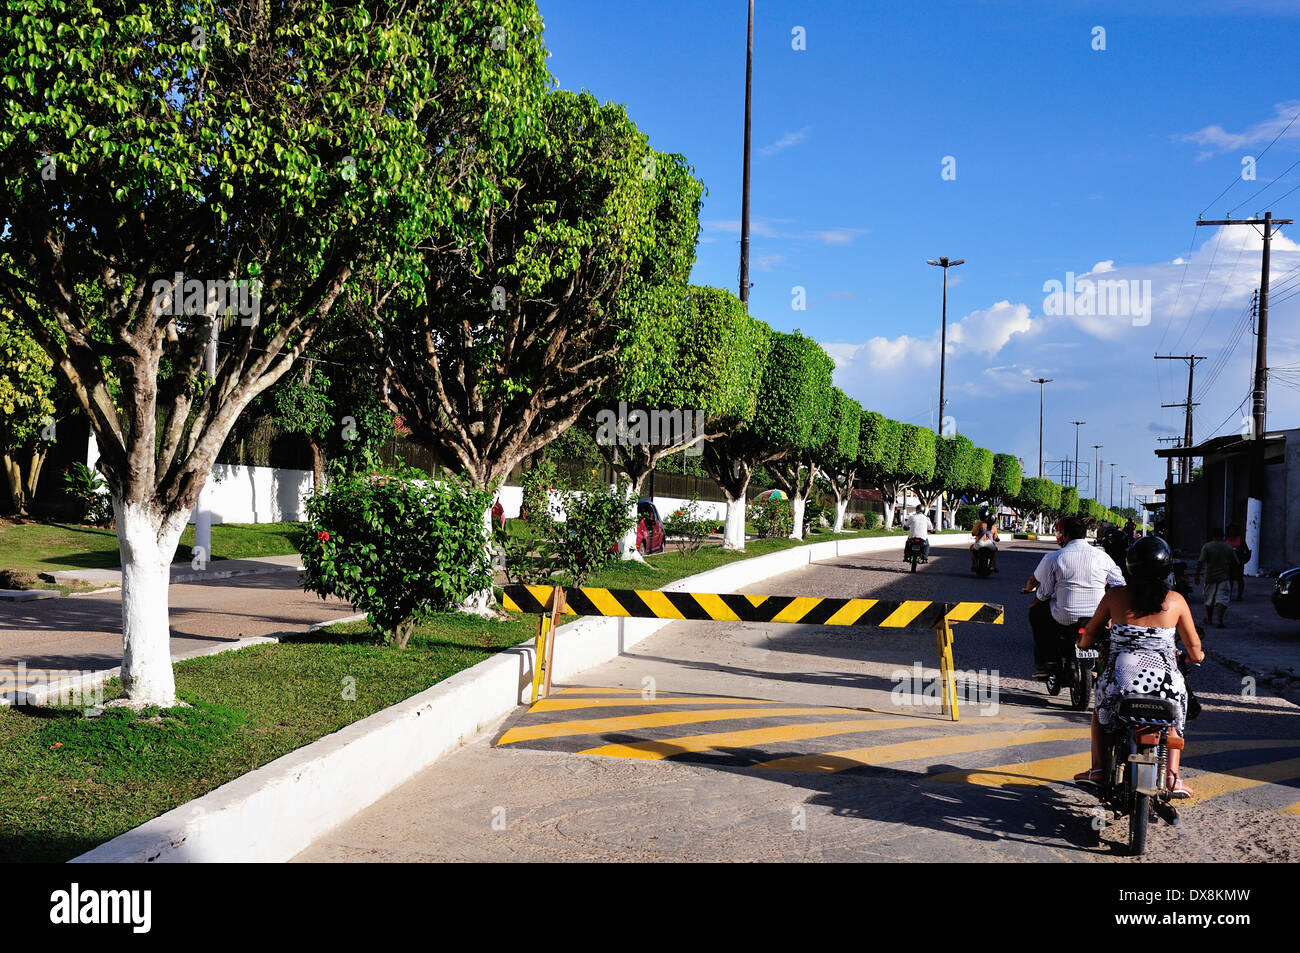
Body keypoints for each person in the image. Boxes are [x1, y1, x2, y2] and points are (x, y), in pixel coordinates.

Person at [1075, 536, 1205, 798]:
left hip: (1121, 679)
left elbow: (1090, 634)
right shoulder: (1176, 601)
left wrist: (1083, 642)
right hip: (1167, 683)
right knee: (1174, 721)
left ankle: (1099, 770)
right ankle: (1172, 778)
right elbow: (1194, 650)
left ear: (1130, 566)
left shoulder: (1115, 596)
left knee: (1101, 715)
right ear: (1167, 568)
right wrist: (1197, 656)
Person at [1023, 516, 1125, 678]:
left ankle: (1045, 662)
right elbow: (1119, 586)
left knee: (1036, 613)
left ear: (1066, 535)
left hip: (1064, 617)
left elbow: (1044, 593)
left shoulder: (1053, 557)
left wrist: (1036, 598)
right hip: (1098, 617)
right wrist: (1112, 612)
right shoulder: (1103, 557)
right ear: (1085, 534)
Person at [1195, 527, 1236, 628]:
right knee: (1222, 599)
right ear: (1223, 536)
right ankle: (1219, 620)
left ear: (1213, 536)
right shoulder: (1228, 547)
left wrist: (1197, 575)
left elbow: (1200, 562)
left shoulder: (1207, 546)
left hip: (1210, 577)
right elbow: (1235, 563)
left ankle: (1209, 619)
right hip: (1224, 577)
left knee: (1209, 598)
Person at [1224, 523, 1248, 601]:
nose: (1231, 531)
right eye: (1230, 530)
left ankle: (1239, 595)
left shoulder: (1240, 539)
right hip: (1229, 561)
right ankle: (1229, 594)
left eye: (1233, 530)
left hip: (1239, 561)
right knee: (1230, 579)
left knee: (1239, 578)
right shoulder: (1226, 539)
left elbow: (1245, 549)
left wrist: (1238, 550)